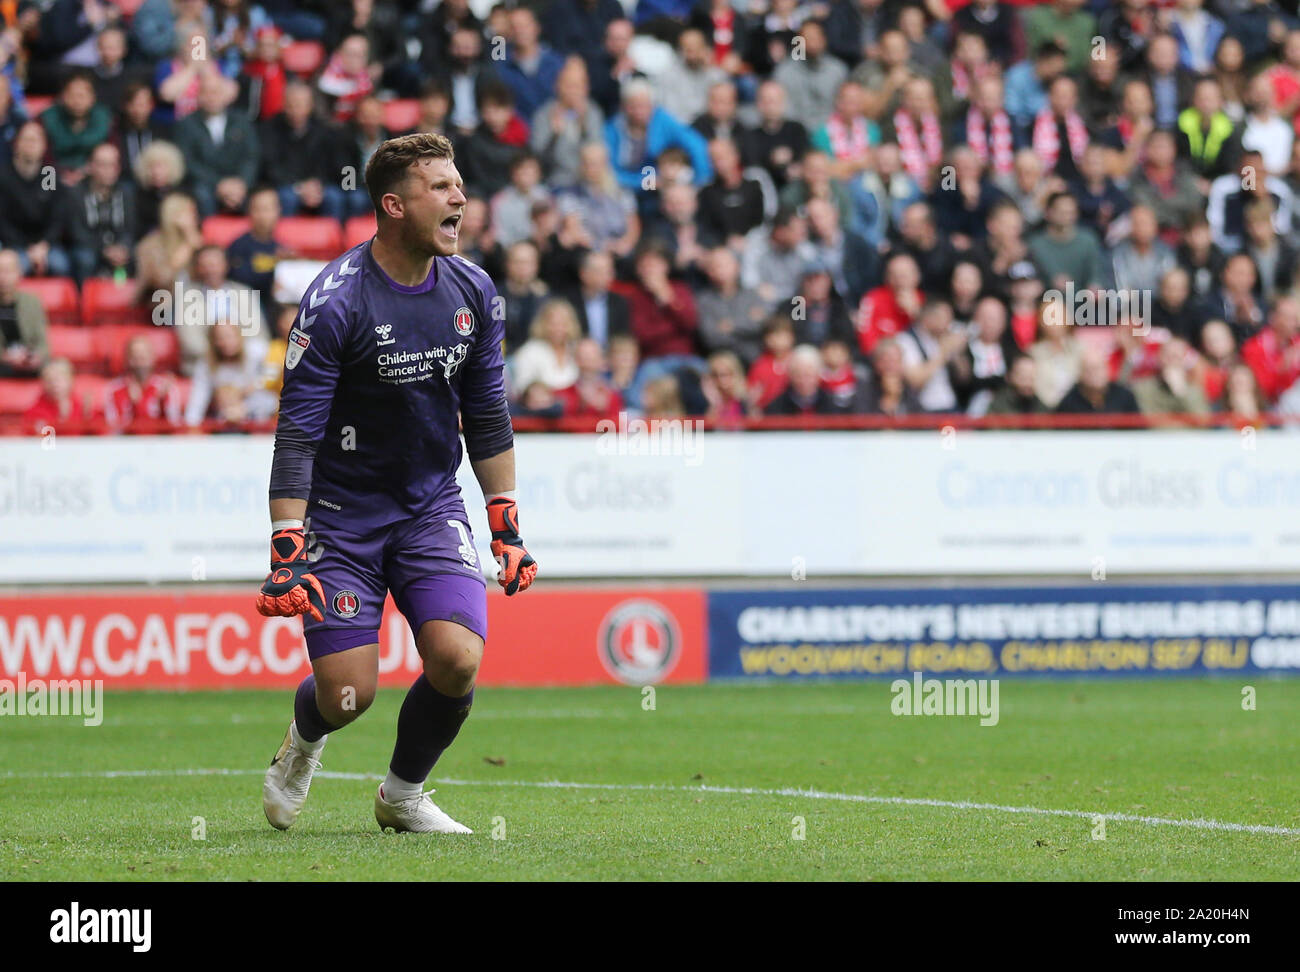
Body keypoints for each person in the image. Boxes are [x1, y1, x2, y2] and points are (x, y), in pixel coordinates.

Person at [258, 133, 537, 836]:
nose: (459, 196)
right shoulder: (334, 302)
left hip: (428, 503)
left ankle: (403, 795)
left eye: (459, 183)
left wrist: (504, 521)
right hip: (339, 515)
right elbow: (296, 433)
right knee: (350, 695)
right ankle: (305, 739)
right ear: (393, 205)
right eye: (440, 187)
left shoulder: (473, 288)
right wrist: (286, 542)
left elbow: (488, 414)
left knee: (457, 659)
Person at [0, 249, 48, 378]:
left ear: (19, 272)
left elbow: (43, 343)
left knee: (56, 369)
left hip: (29, 363)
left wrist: (36, 357)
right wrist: (6, 357)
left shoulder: (32, 302)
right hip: (2, 364)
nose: (2, 277)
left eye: (7, 271)